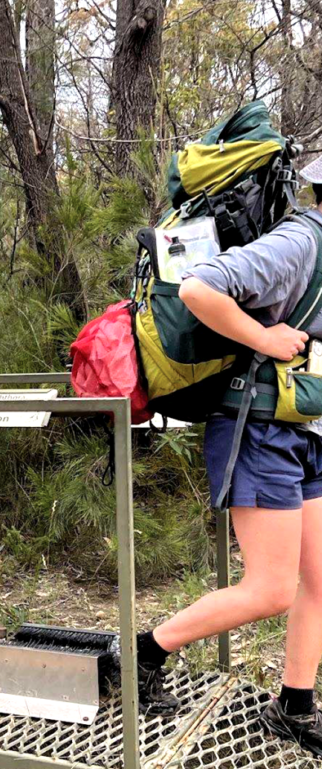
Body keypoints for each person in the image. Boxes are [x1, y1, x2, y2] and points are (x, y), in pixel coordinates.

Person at [135, 156, 322, 756]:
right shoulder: (300, 240)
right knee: (272, 589)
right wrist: (266, 339)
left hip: (307, 431)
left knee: (320, 582)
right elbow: (197, 287)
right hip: (261, 427)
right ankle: (141, 653)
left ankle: (294, 706)